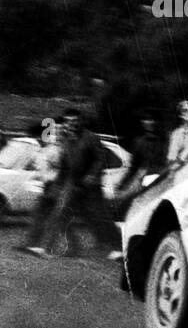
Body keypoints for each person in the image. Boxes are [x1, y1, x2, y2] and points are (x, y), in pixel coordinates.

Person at [38, 108, 118, 258]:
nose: (72, 124)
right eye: (69, 121)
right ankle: (54, 248)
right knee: (59, 213)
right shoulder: (67, 140)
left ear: (81, 121)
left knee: (98, 217)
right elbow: (64, 165)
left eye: (75, 121)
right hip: (71, 183)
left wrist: (91, 176)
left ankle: (115, 247)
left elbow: (100, 159)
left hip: (90, 186)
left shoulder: (91, 137)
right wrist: (57, 186)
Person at [21, 116, 66, 256]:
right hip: (48, 185)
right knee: (41, 215)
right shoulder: (46, 149)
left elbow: (62, 167)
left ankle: (47, 247)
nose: (37, 140)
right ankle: (32, 244)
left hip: (57, 185)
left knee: (54, 217)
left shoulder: (59, 149)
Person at [114, 110, 167, 215]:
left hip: (161, 176)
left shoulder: (165, 141)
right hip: (142, 177)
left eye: (152, 120)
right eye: (146, 120)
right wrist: (122, 183)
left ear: (157, 122)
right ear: (142, 122)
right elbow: (133, 166)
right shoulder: (139, 142)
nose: (149, 123)